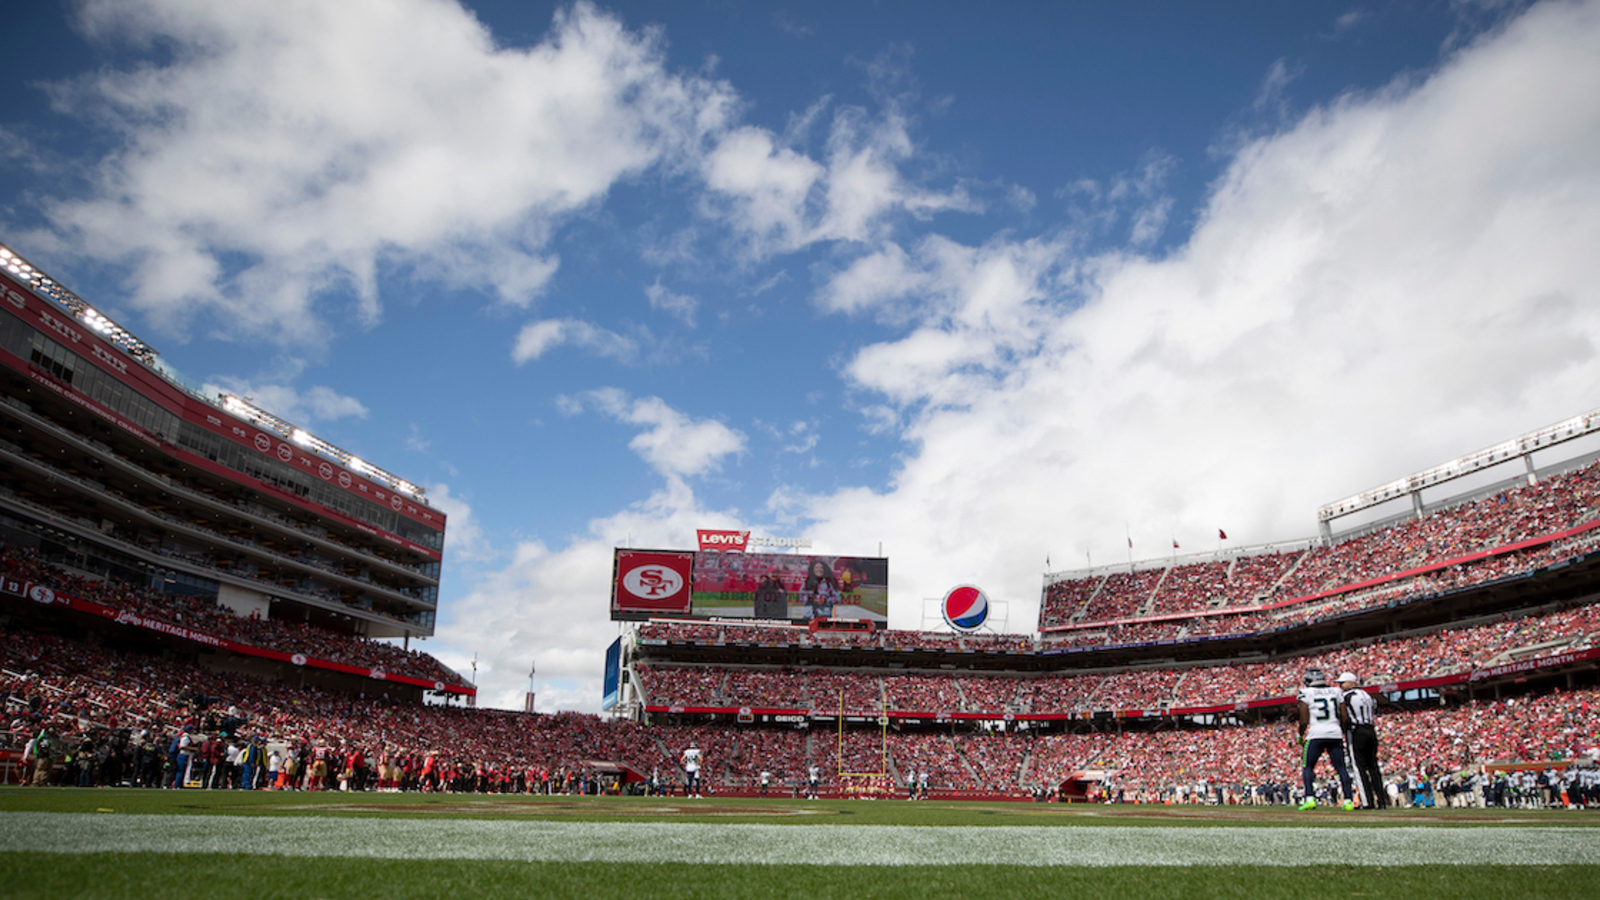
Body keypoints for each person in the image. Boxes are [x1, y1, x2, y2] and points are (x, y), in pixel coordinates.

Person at [1296, 667, 1356, 810]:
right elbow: (1345, 716)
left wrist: (1300, 734)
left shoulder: (1306, 692)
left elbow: (1304, 719)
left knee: (1308, 767)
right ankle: (1348, 800)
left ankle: (1310, 798)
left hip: (1316, 734)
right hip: (1335, 733)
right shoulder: (1336, 691)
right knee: (1341, 767)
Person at [1338, 671, 1386, 809]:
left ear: (1352, 683)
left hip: (1356, 731)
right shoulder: (1367, 695)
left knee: (1359, 767)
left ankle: (1367, 802)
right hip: (1370, 729)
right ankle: (1381, 801)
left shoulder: (1346, 696)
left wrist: (1344, 727)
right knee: (1373, 766)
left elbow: (1344, 716)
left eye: (1343, 683)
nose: (1340, 686)